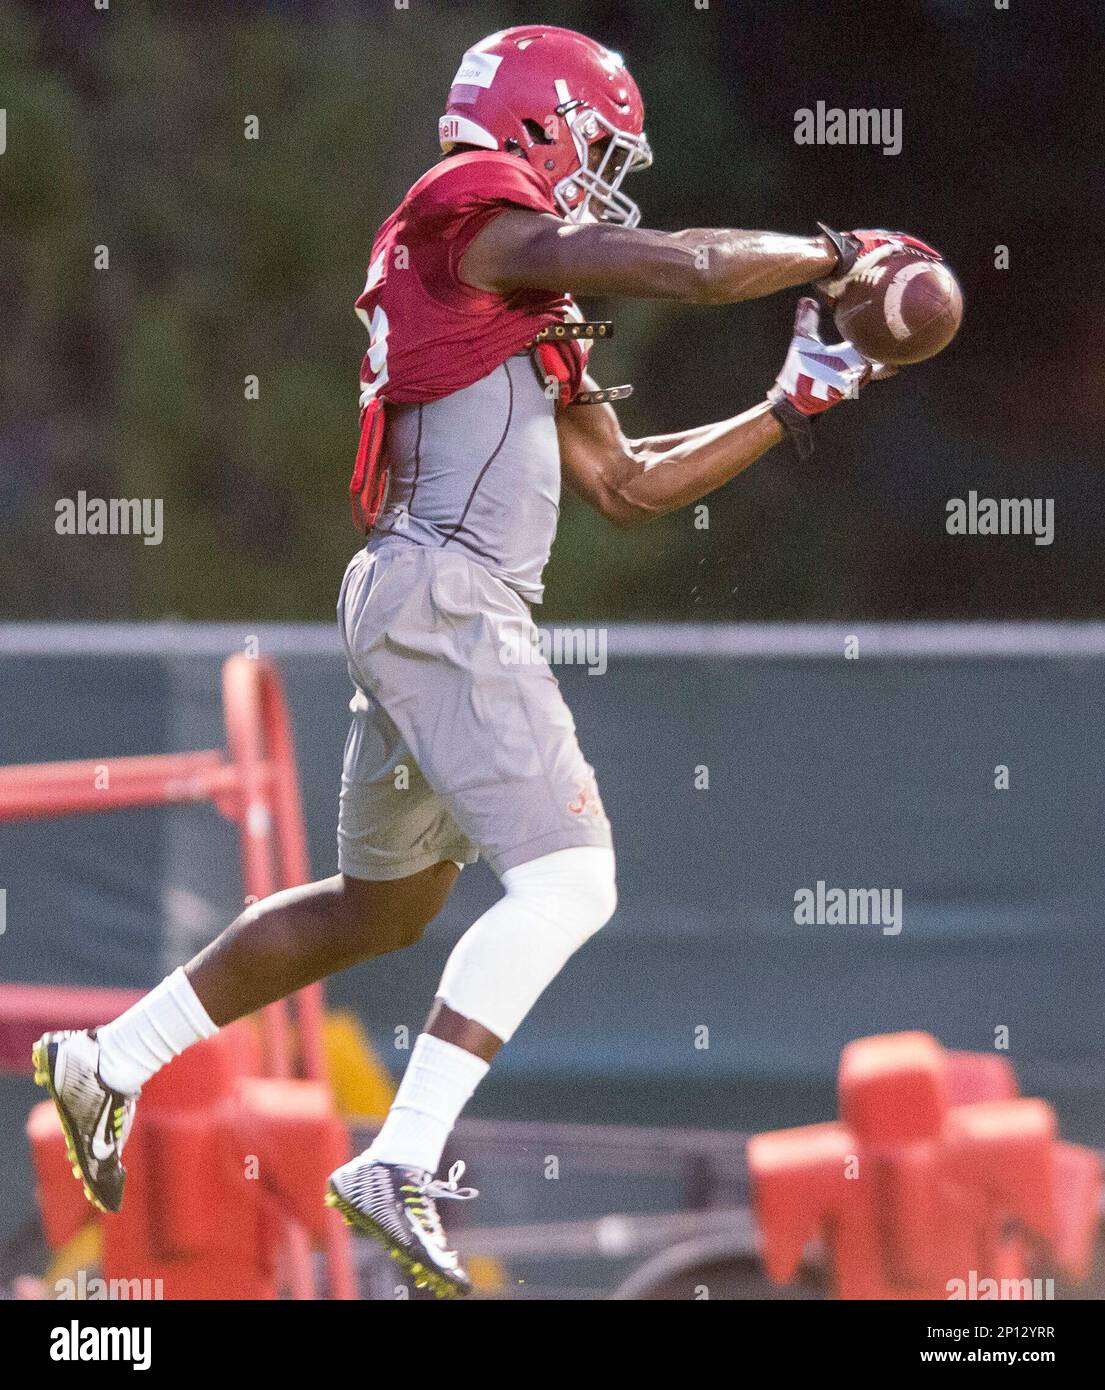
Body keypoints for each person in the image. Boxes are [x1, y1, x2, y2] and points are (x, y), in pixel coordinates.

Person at [33, 24, 939, 1298]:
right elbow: (682, 266)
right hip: (450, 592)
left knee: (380, 909)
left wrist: (792, 402)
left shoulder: (520, 300)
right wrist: (838, 255)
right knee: (572, 882)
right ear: (537, 123)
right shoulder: (470, 202)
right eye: (598, 149)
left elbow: (629, 486)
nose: (604, 182)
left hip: (425, 596)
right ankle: (400, 1158)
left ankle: (109, 1058)